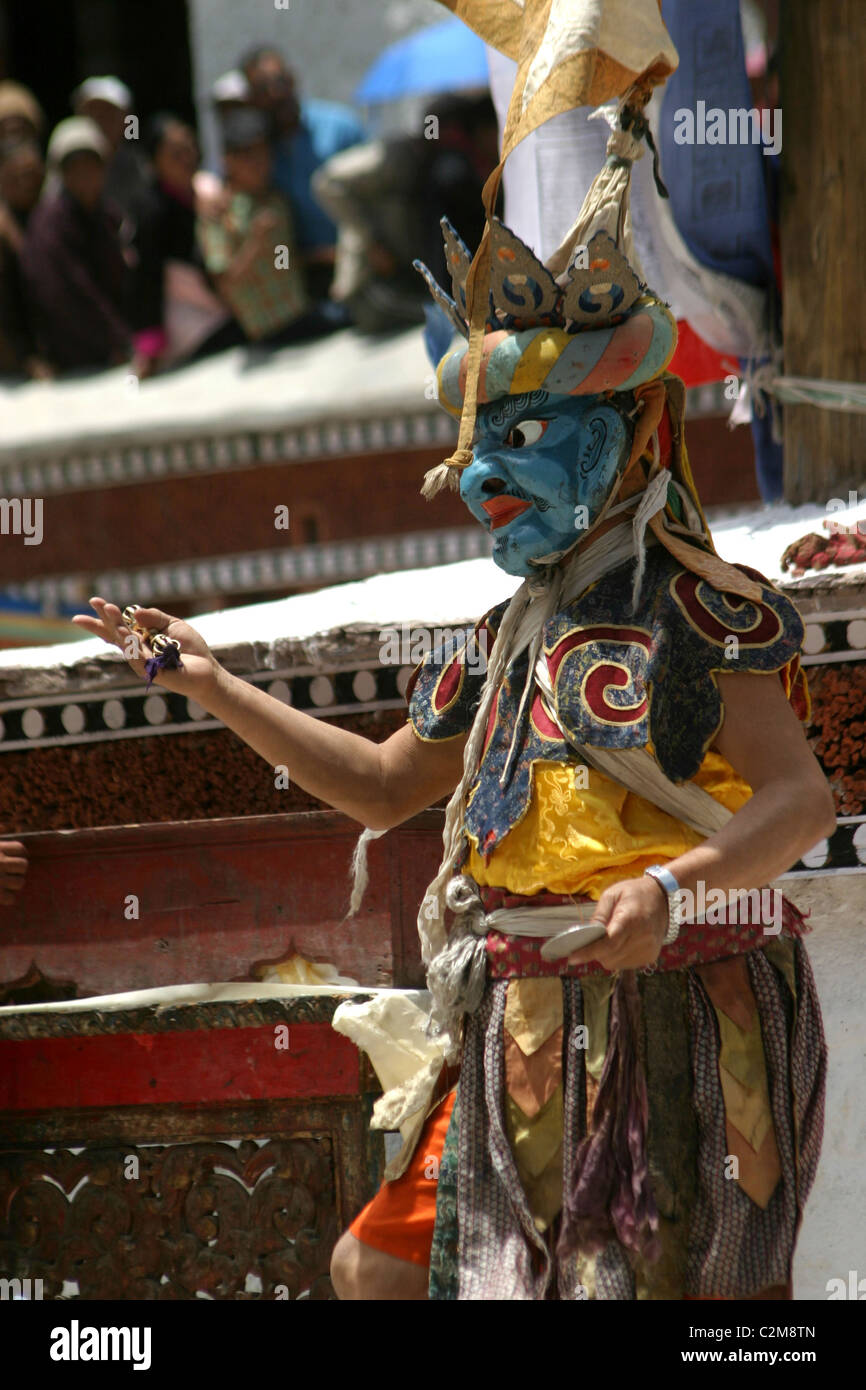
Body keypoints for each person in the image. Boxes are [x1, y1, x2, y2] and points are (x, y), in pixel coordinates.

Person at [73, 161, 833, 1303]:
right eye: (479, 442)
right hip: (519, 1029)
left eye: (526, 434)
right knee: (376, 1270)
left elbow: (800, 803)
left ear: (625, 434)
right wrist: (213, 684)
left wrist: (675, 890)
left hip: (677, 1017)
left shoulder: (693, 609)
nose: (482, 475)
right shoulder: (497, 643)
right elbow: (384, 787)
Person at [312, 92, 501, 335]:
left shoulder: (450, 166)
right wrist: (370, 240)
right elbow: (327, 183)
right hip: (376, 282)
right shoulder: (398, 158)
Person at [196, 107, 335, 349]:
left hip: (301, 313)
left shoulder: (275, 199)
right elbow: (226, 285)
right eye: (249, 156)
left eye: (264, 153)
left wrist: (329, 255)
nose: (260, 163)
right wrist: (255, 243)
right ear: (229, 161)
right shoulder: (219, 215)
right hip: (268, 331)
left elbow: (287, 260)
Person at [240, 46, 364, 299]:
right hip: (309, 282)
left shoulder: (339, 127)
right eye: (263, 89)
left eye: (281, 81)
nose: (276, 93)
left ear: (293, 79)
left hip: (367, 262)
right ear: (252, 99)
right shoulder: (259, 156)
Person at [19, 117, 131, 373]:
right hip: (75, 361)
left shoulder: (108, 216)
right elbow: (67, 294)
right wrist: (117, 340)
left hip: (116, 350)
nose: (85, 175)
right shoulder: (49, 226)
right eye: (74, 167)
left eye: (91, 164)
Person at [129, 113, 235, 377]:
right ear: (155, 163)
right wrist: (151, 346)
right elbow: (145, 279)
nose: (187, 157)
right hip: (192, 324)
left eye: (188, 147)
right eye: (175, 154)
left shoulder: (209, 188)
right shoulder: (150, 212)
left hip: (230, 306)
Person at [0, 135, 51, 377]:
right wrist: (28, 358)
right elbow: (6, 305)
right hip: (17, 362)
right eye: (17, 176)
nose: (27, 182)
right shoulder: (4, 230)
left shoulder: (51, 215)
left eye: (32, 174)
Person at [71, 76, 150, 225]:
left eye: (108, 112)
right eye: (91, 112)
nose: (99, 119)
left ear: (127, 120)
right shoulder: (65, 163)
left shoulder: (138, 166)